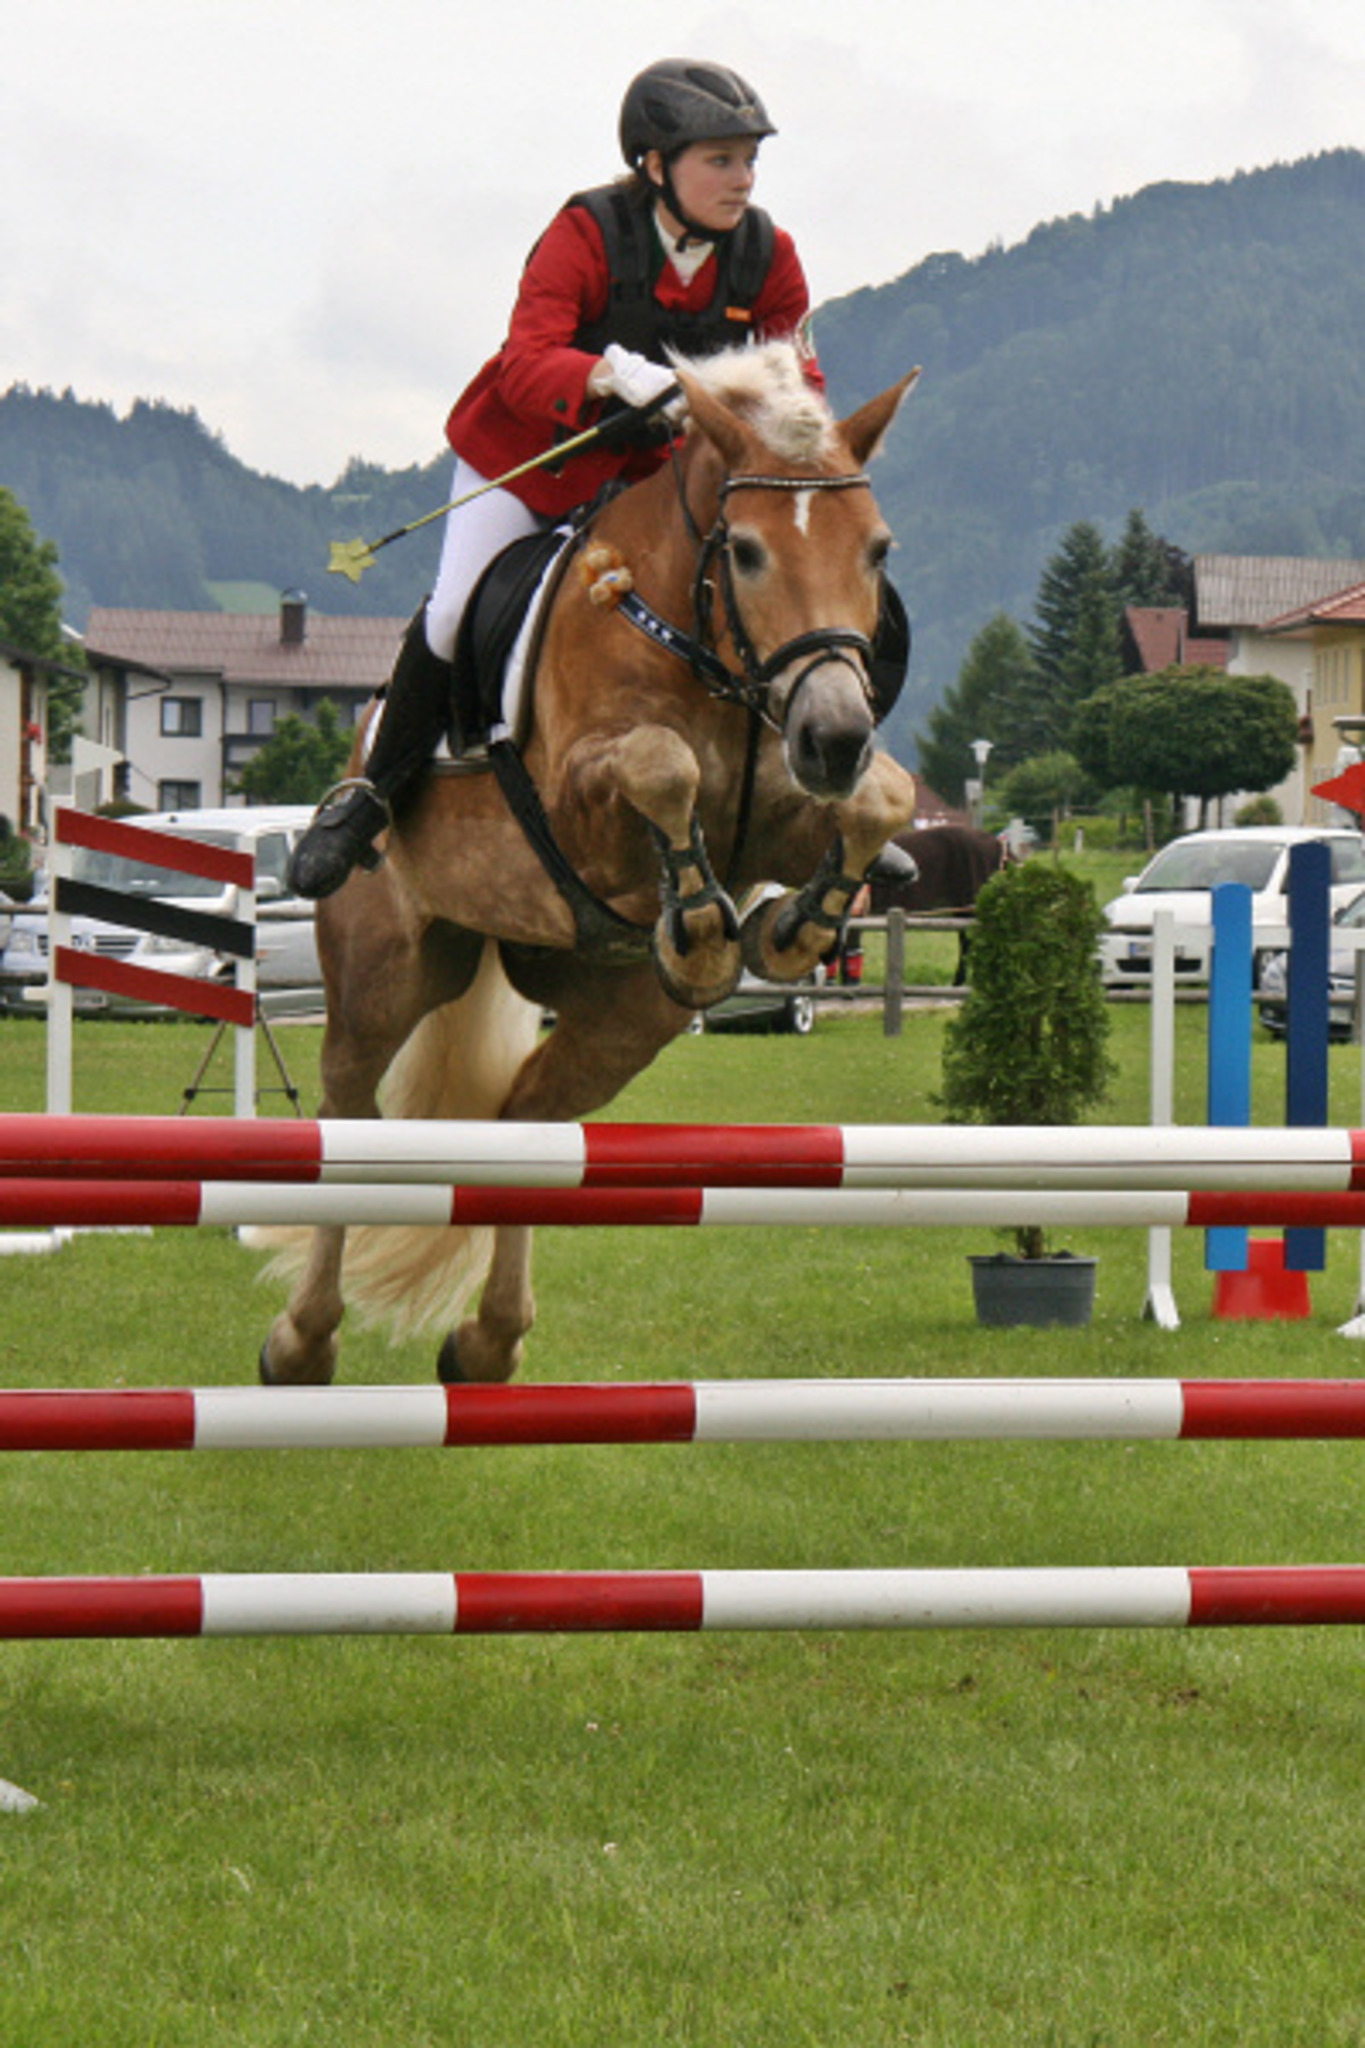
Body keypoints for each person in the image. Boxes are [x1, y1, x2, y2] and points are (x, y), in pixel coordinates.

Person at [289, 58, 822, 900]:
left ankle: (810, 805)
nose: (742, 178)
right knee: (459, 607)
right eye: (718, 159)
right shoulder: (588, 232)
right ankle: (369, 795)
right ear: (655, 165)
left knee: (761, 599)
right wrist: (609, 375)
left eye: (748, 159)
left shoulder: (767, 254)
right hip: (532, 462)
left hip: (658, 485)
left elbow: (798, 384)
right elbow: (527, 361)